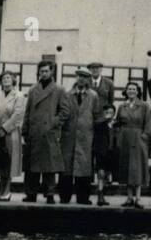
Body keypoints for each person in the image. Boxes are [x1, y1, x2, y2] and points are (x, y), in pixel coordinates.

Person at [21, 60, 70, 203]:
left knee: (49, 166)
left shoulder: (59, 89)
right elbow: (28, 111)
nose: (44, 74)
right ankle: (31, 193)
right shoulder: (33, 89)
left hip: (49, 132)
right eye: (41, 71)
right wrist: (25, 129)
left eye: (46, 71)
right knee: (32, 166)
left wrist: (53, 123)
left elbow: (65, 111)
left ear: (52, 72)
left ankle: (49, 194)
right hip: (34, 132)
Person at [59, 66, 102, 204]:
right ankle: (64, 196)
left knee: (84, 167)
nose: (81, 79)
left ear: (88, 79)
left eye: (84, 76)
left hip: (86, 137)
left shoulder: (93, 96)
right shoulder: (67, 94)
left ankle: (83, 197)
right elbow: (62, 114)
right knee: (66, 167)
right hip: (68, 136)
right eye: (79, 76)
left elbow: (96, 116)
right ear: (76, 77)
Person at [115, 79, 151, 208]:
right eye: (129, 89)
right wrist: (119, 135)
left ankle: (138, 198)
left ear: (138, 92)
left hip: (138, 139)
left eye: (134, 89)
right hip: (125, 139)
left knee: (137, 169)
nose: (131, 91)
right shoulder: (121, 106)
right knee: (127, 168)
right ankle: (129, 198)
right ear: (126, 91)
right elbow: (117, 123)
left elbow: (148, 125)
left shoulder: (144, 106)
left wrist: (143, 138)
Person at [0, 70, 25, 200]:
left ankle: (7, 191)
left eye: (8, 78)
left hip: (11, 133)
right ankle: (1, 191)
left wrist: (5, 129)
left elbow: (18, 115)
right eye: (4, 78)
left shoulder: (19, 95)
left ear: (13, 80)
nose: (6, 80)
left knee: (9, 162)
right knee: (1, 161)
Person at [92, 104, 117, 207]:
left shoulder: (115, 124)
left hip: (111, 152)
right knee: (101, 173)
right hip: (101, 152)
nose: (109, 115)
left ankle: (103, 193)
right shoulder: (100, 123)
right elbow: (96, 124)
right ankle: (100, 195)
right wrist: (104, 119)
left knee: (107, 174)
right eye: (107, 112)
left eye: (111, 113)